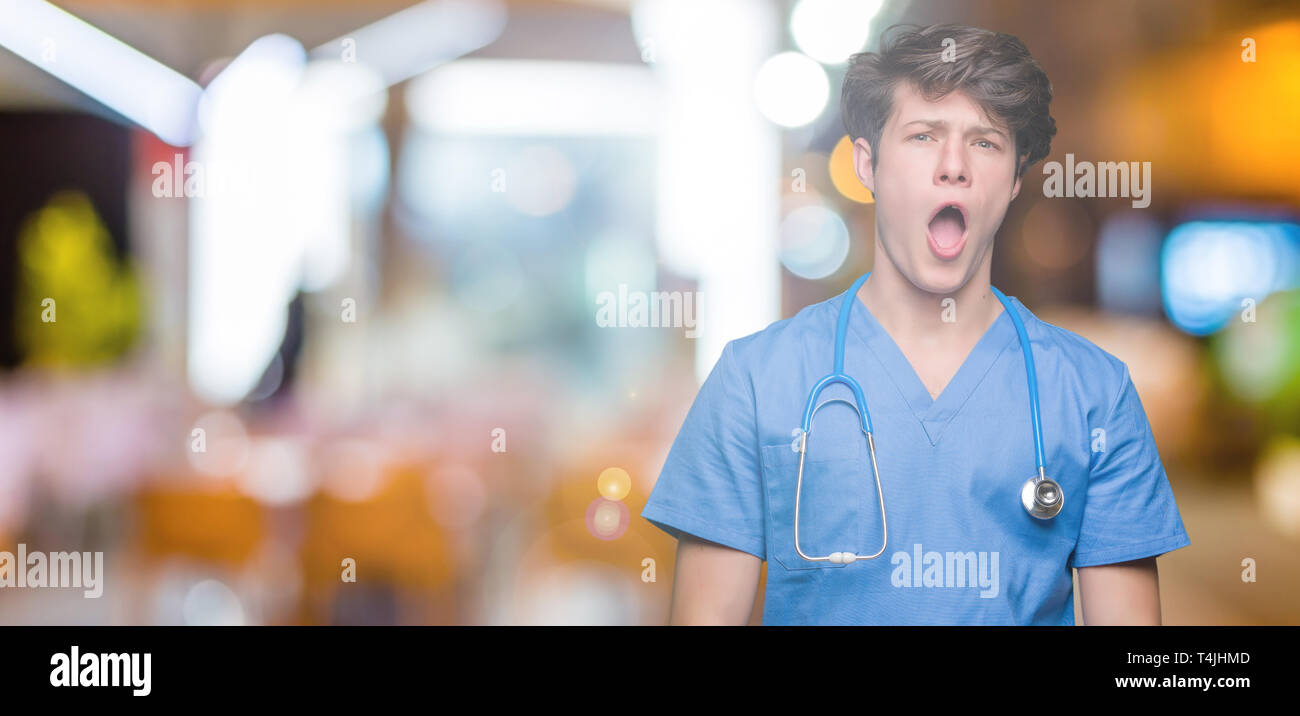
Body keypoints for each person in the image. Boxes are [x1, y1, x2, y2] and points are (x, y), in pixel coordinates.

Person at [640, 23, 1190, 625]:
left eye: (984, 143)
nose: (952, 166)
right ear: (867, 164)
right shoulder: (752, 381)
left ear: (1013, 181)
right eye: (923, 135)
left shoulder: (1094, 395)